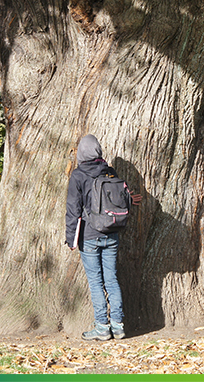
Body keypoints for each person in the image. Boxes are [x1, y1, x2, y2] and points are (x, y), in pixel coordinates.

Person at [65, 134, 141, 341]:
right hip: (112, 234)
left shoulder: (78, 175)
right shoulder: (109, 172)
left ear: (81, 153)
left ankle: (101, 327)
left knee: (96, 283)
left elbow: (73, 209)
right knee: (112, 279)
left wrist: (71, 238)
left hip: (89, 236)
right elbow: (120, 197)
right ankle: (118, 326)